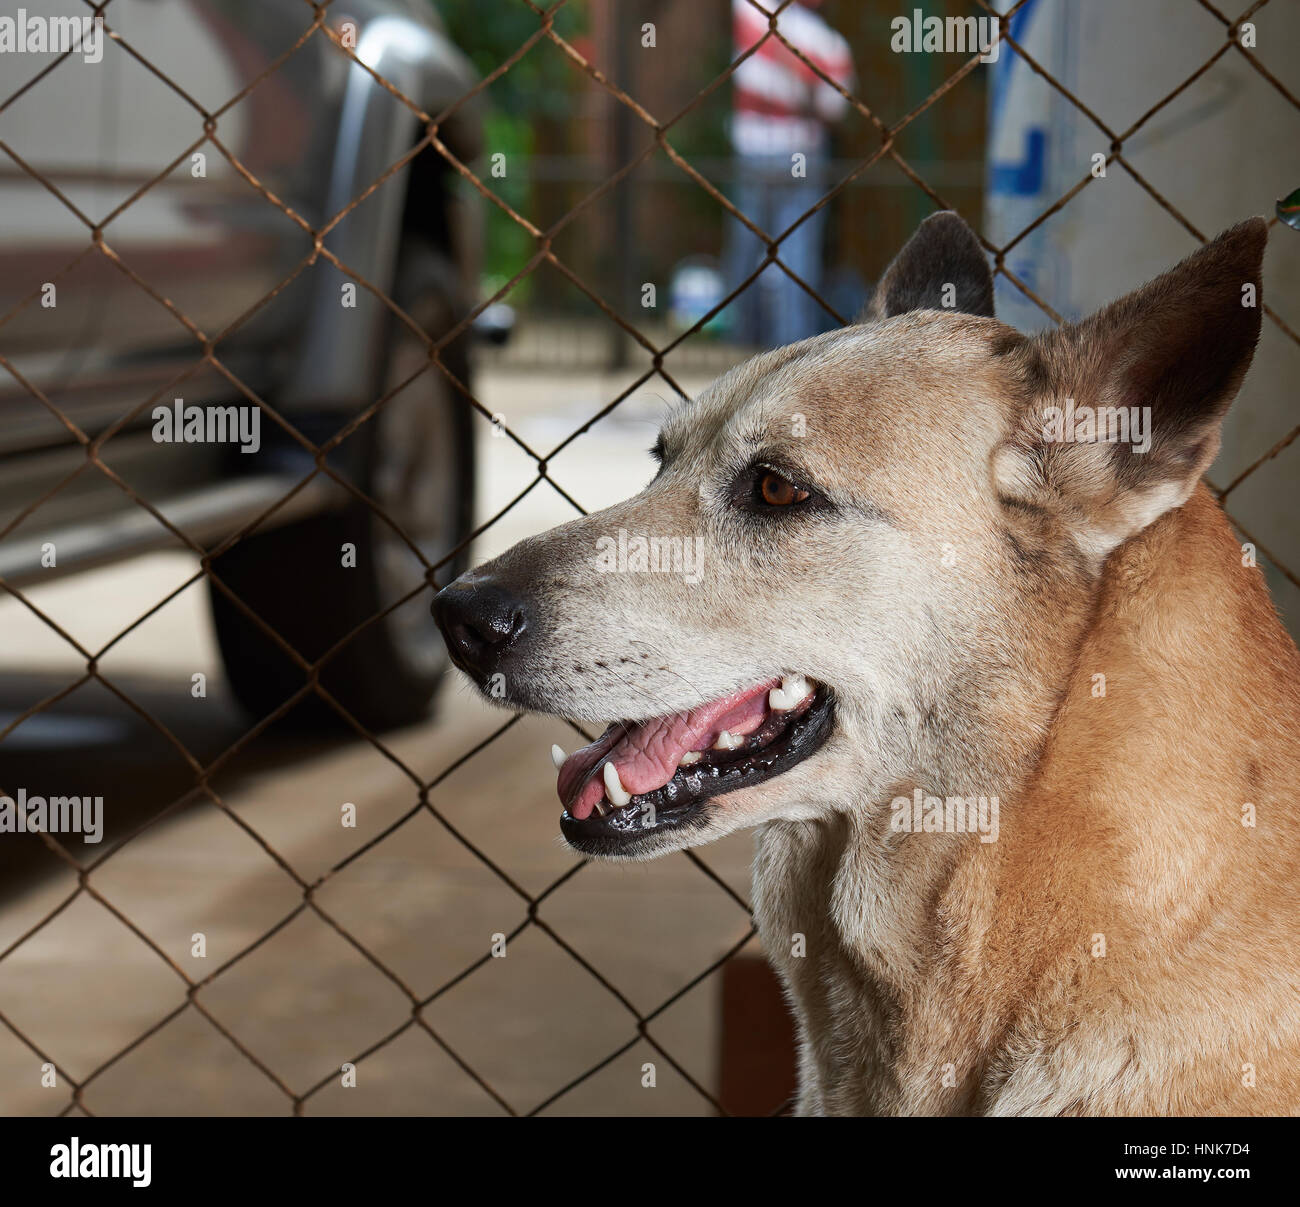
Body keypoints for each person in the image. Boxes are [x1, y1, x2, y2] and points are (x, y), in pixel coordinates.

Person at [726, 0, 855, 348]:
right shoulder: (829, 44)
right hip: (799, 153)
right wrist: (803, 80)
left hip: (758, 152)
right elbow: (833, 107)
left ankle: (743, 346)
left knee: (749, 254)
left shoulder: (754, 13)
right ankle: (788, 350)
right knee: (795, 258)